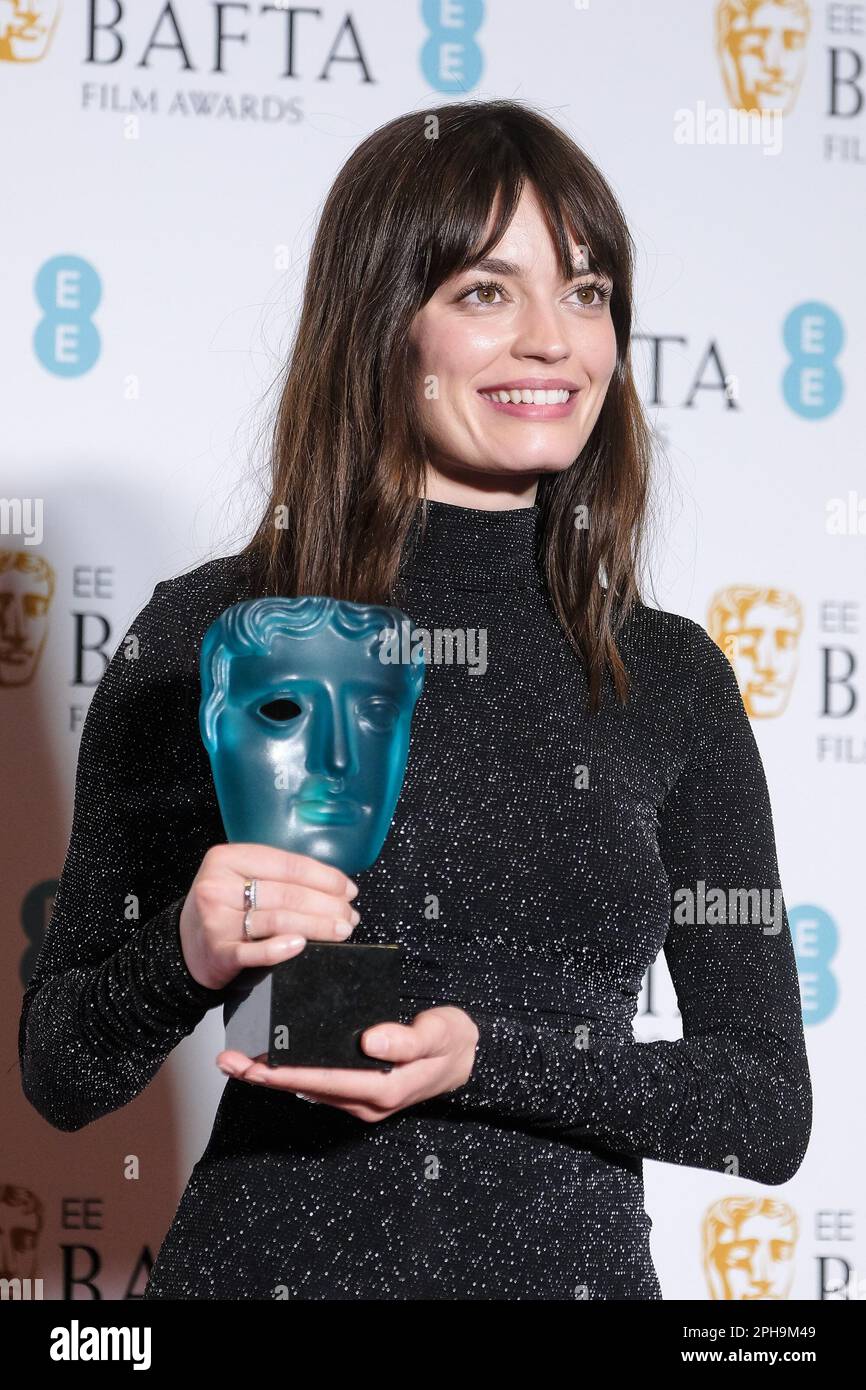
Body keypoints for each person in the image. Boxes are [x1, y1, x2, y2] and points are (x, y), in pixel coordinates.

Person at [18, 99, 812, 1300]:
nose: (554, 340)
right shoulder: (212, 635)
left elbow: (763, 1109)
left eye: (586, 292)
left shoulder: (667, 674)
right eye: (486, 292)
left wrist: (481, 1060)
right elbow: (61, 1073)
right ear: (384, 323)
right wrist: (184, 951)